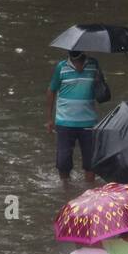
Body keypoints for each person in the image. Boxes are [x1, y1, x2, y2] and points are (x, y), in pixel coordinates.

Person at [45, 50, 103, 183]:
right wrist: (49, 119)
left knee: (91, 163)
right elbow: (51, 90)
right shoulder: (61, 67)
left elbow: (101, 89)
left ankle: (90, 191)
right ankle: (66, 192)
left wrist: (99, 81)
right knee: (63, 162)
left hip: (89, 123)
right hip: (65, 123)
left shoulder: (94, 64)